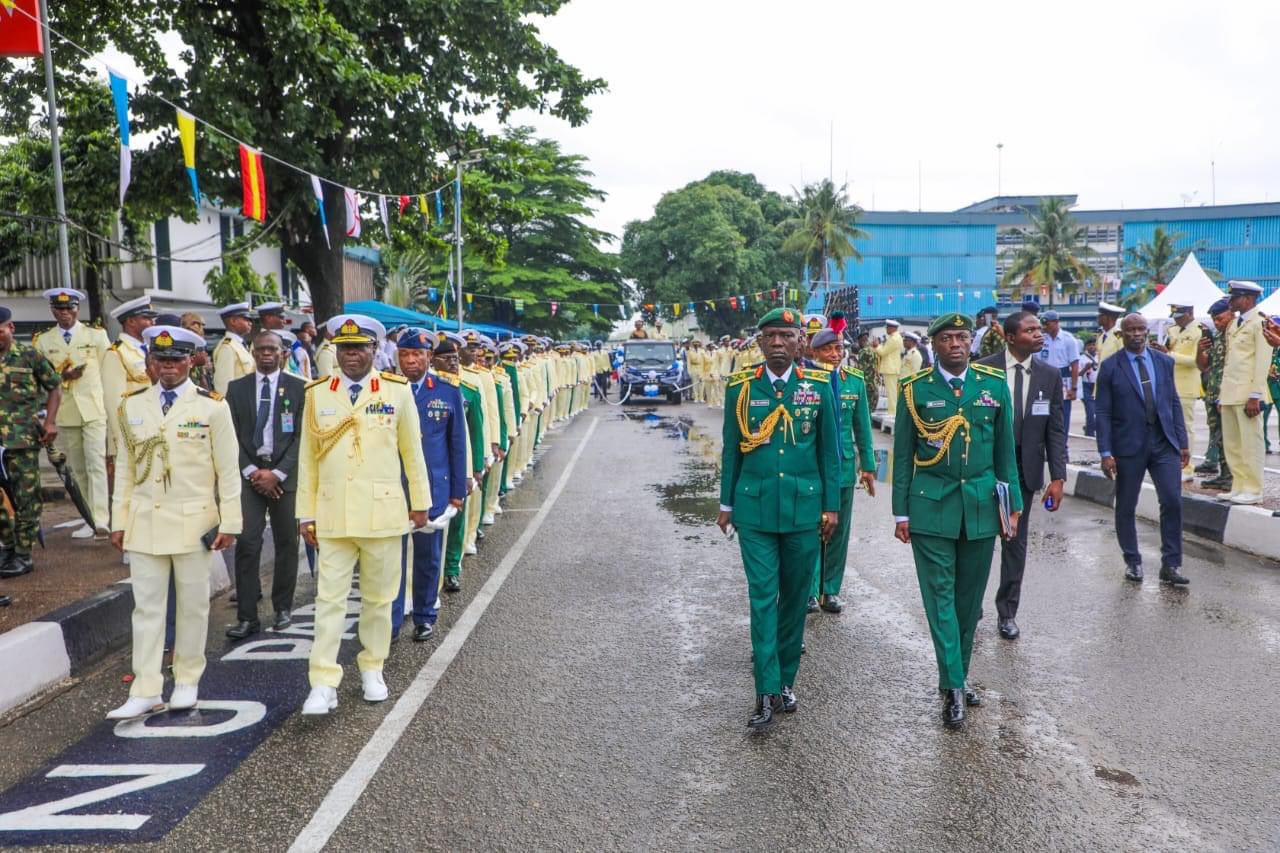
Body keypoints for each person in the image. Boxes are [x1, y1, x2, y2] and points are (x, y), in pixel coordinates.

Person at [892, 312, 1021, 728]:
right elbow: (902, 455)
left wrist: (1013, 503)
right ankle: (953, 687)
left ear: (971, 342)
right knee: (940, 600)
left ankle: (958, 677)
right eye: (947, 338)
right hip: (931, 506)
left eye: (962, 337)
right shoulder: (915, 389)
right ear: (934, 345)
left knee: (968, 603)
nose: (956, 345)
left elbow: (1005, 452)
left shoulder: (992, 385)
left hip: (981, 506)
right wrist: (901, 512)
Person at [105, 325, 241, 719]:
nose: (168, 366)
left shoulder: (212, 407)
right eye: (161, 359)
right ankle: (146, 689)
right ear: (151, 361)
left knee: (193, 608)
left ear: (191, 361)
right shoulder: (132, 405)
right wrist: (119, 519)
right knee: (146, 609)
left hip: (193, 522)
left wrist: (230, 521)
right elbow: (126, 468)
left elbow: (228, 470)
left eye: (176, 359)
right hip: (145, 520)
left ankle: (186, 681)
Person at [297, 314, 430, 715]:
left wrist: (420, 503)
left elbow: (412, 452)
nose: (351, 355)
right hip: (333, 513)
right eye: (344, 348)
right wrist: (305, 513)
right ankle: (323, 681)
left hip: (382, 512)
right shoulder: (317, 393)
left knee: (378, 599)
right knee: (329, 601)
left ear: (374, 350)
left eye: (358, 348)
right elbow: (308, 459)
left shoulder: (396, 391)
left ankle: (373, 666)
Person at [718, 307, 838, 730]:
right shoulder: (741, 387)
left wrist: (832, 506)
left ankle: (786, 680)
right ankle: (765, 689)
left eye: (786, 335)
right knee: (762, 596)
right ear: (759, 342)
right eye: (769, 335)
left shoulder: (818, 386)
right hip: (754, 510)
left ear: (800, 341)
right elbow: (731, 448)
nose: (777, 343)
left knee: (794, 599)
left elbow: (829, 452)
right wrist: (726, 504)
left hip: (804, 509)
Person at [978, 311, 1067, 640]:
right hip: (986, 466)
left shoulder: (1050, 375)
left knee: (1014, 540)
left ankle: (1007, 612)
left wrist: (1058, 477)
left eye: (1039, 329)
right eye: (1031, 330)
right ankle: (972, 607)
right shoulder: (983, 369)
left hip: (1024, 467)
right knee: (979, 540)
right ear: (1011, 337)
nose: (1039, 334)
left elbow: (1055, 430)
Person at [1095, 313, 1189, 585]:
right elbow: (1103, 412)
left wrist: (1182, 442)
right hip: (1128, 446)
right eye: (1131, 330)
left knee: (1172, 501)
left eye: (1141, 329)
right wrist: (1105, 452)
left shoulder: (1164, 361)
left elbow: (1173, 402)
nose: (1137, 334)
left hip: (1163, 443)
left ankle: (1171, 565)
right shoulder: (1111, 366)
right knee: (1126, 504)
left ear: (1147, 332)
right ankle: (1133, 561)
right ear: (1121, 334)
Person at [224, 330, 306, 639]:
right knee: (247, 543)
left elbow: (301, 437)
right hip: (250, 476)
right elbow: (229, 434)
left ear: (283, 353)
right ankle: (247, 617)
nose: (266, 354)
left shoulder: (300, 388)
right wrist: (252, 472)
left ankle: (282, 608)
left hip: (284, 476)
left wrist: (278, 474)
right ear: (253, 352)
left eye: (272, 349)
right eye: (260, 349)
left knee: (287, 543)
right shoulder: (237, 389)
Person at [391, 328, 466, 642]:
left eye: (417, 355)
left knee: (428, 557)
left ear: (429, 357)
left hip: (433, 486)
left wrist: (457, 492)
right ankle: (392, 620)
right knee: (391, 559)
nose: (410, 361)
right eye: (405, 354)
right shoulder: (387, 390)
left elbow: (457, 444)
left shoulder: (447, 391)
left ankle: (424, 615)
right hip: (393, 486)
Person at [806, 328, 876, 614]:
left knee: (839, 531)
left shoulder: (854, 381)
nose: (834, 354)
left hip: (844, 465)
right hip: (812, 467)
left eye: (838, 349)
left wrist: (868, 466)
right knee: (812, 529)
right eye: (827, 349)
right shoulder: (806, 382)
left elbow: (863, 427)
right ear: (814, 352)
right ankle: (809, 590)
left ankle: (830, 589)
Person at [33, 288, 111, 539]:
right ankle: (89, 518)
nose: (65, 312)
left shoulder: (96, 335)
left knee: (96, 462)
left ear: (78, 309)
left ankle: (101, 519)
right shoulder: (43, 341)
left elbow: (109, 372)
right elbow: (40, 379)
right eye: (60, 308)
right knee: (78, 468)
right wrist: (62, 377)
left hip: (94, 409)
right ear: (52, 310)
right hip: (65, 410)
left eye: (70, 308)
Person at [0, 306, 62, 579]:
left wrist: (50, 422)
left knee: (26, 498)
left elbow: (54, 387)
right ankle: (8, 547)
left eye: (0, 331)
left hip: (21, 440)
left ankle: (23, 554)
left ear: (11, 328)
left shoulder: (29, 356)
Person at [435, 334, 486, 594]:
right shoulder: (418, 389)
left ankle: (452, 569)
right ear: (433, 361)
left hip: (458, 465)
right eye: (446, 358)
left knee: (456, 521)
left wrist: (475, 468)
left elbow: (475, 431)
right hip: (433, 467)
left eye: (455, 358)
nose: (453, 363)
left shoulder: (468, 390)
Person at [1216, 281, 1271, 504]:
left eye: (1234, 297)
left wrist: (1255, 395)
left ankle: (1253, 489)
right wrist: (1222, 394)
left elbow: (1262, 361)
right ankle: (1238, 486)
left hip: (1248, 393)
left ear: (1247, 299)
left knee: (1251, 443)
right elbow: (1230, 362)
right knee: (1233, 444)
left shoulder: (1261, 322)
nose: (1230, 302)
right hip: (1231, 393)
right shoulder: (1234, 324)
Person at [101, 296, 157, 462]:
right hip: (133, 430)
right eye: (146, 318)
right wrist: (122, 439)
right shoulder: (116, 353)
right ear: (131, 322)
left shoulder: (151, 349)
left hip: (154, 424)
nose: (152, 322)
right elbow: (114, 403)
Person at [1154, 304, 1203, 481]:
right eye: (1175, 317)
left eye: (1180, 316)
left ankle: (1187, 468)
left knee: (1185, 427)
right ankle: (1174, 463)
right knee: (1169, 427)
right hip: (1169, 383)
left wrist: (1169, 354)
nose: (1177, 320)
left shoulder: (1199, 331)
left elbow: (1196, 361)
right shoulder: (1173, 330)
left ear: (1191, 313)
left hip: (1187, 385)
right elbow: (1168, 350)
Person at [1196, 300, 1235, 490]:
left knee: (1230, 437)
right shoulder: (1218, 336)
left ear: (1231, 314)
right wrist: (1200, 349)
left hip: (1227, 395)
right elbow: (1203, 366)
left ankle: (1233, 477)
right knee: (1218, 437)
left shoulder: (1235, 335)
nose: (1217, 323)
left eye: (1220, 318)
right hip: (1212, 394)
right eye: (1214, 320)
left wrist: (1225, 395)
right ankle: (1224, 475)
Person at [1037, 310, 1081, 435]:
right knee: (1042, 411)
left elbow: (1075, 365)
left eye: (1047, 324)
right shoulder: (1041, 339)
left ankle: (1062, 442)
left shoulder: (1068, 339)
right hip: (1044, 377)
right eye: (1043, 324)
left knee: (1063, 412)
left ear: (1056, 322)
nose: (1045, 327)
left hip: (1063, 377)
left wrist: (1074, 388)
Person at [258, 302, 313, 379]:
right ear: (268, 318)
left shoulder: (287, 338)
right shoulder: (262, 342)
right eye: (281, 317)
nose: (284, 321)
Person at [213, 303, 255, 394]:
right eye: (246, 319)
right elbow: (223, 387)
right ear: (233, 321)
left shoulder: (239, 344)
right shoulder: (227, 347)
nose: (250, 323)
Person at [874, 319, 904, 415]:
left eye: (887, 328)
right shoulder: (896, 337)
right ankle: (893, 411)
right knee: (892, 392)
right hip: (892, 368)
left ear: (892, 328)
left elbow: (883, 352)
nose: (886, 329)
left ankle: (892, 412)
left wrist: (876, 346)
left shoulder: (894, 339)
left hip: (890, 368)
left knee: (891, 393)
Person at [180, 312, 214, 391]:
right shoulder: (181, 351)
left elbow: (204, 383)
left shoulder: (198, 349)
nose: (200, 329)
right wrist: (194, 362)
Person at [1079, 338, 1100, 436]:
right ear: (1086, 347)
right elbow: (1078, 374)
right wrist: (1085, 368)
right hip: (1086, 386)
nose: (1092, 347)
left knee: (1100, 411)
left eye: (1094, 344)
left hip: (1098, 386)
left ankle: (1090, 427)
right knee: (1090, 410)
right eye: (1089, 345)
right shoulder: (1082, 358)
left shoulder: (1100, 356)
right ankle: (1089, 433)